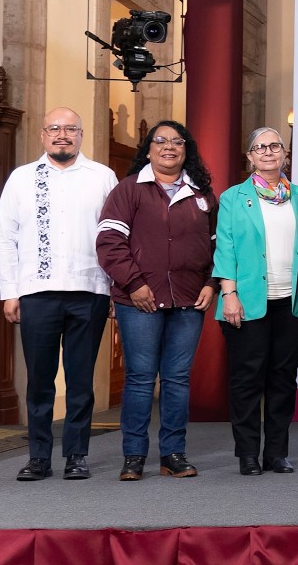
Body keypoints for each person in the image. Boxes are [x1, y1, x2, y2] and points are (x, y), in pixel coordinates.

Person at [0, 108, 116, 481]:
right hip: (37, 293)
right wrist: (10, 292)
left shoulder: (102, 177)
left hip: (89, 290)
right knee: (40, 381)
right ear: (42, 134)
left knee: (81, 381)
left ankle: (77, 455)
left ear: (81, 134)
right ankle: (38, 458)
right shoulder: (21, 179)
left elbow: (115, 235)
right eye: (54, 128)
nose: (62, 135)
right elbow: (6, 236)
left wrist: (113, 288)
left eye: (70, 129)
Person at [97, 121, 217, 481]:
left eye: (177, 141)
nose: (169, 147)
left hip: (188, 302)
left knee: (178, 380)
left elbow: (219, 246)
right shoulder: (128, 190)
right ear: (148, 149)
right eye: (160, 141)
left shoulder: (204, 195)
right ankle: (133, 456)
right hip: (140, 303)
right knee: (139, 379)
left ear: (186, 149)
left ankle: (173, 454)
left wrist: (211, 283)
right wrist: (134, 284)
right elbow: (109, 243)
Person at [213, 127, 298, 476]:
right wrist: (229, 294)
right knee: (247, 379)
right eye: (259, 147)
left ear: (285, 154)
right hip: (247, 302)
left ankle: (277, 453)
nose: (268, 152)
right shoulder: (233, 198)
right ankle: (248, 453)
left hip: (291, 302)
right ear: (250, 156)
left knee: (283, 379)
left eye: (274, 146)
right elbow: (225, 249)